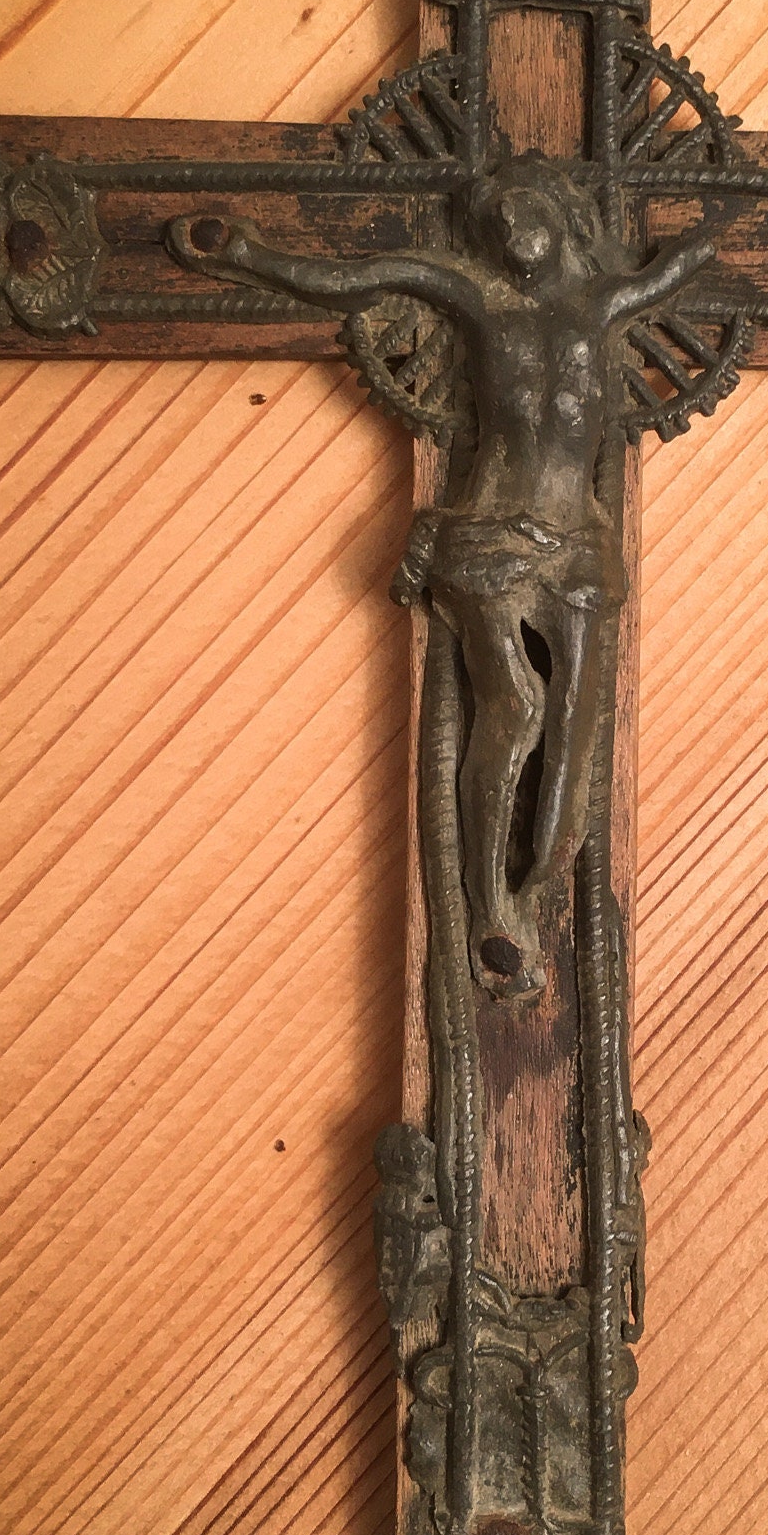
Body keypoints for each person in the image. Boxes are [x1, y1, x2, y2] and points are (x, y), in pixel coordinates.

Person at [215, 156, 717, 1001]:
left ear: (559, 215)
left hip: (582, 548)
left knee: (579, 741)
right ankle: (490, 907)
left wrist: (730, 224)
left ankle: (534, 895)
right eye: (495, 223)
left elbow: (677, 267)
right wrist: (247, 255)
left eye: (523, 212)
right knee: (515, 706)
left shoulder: (601, 304)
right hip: (488, 535)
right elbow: (359, 278)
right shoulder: (479, 300)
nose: (511, 232)